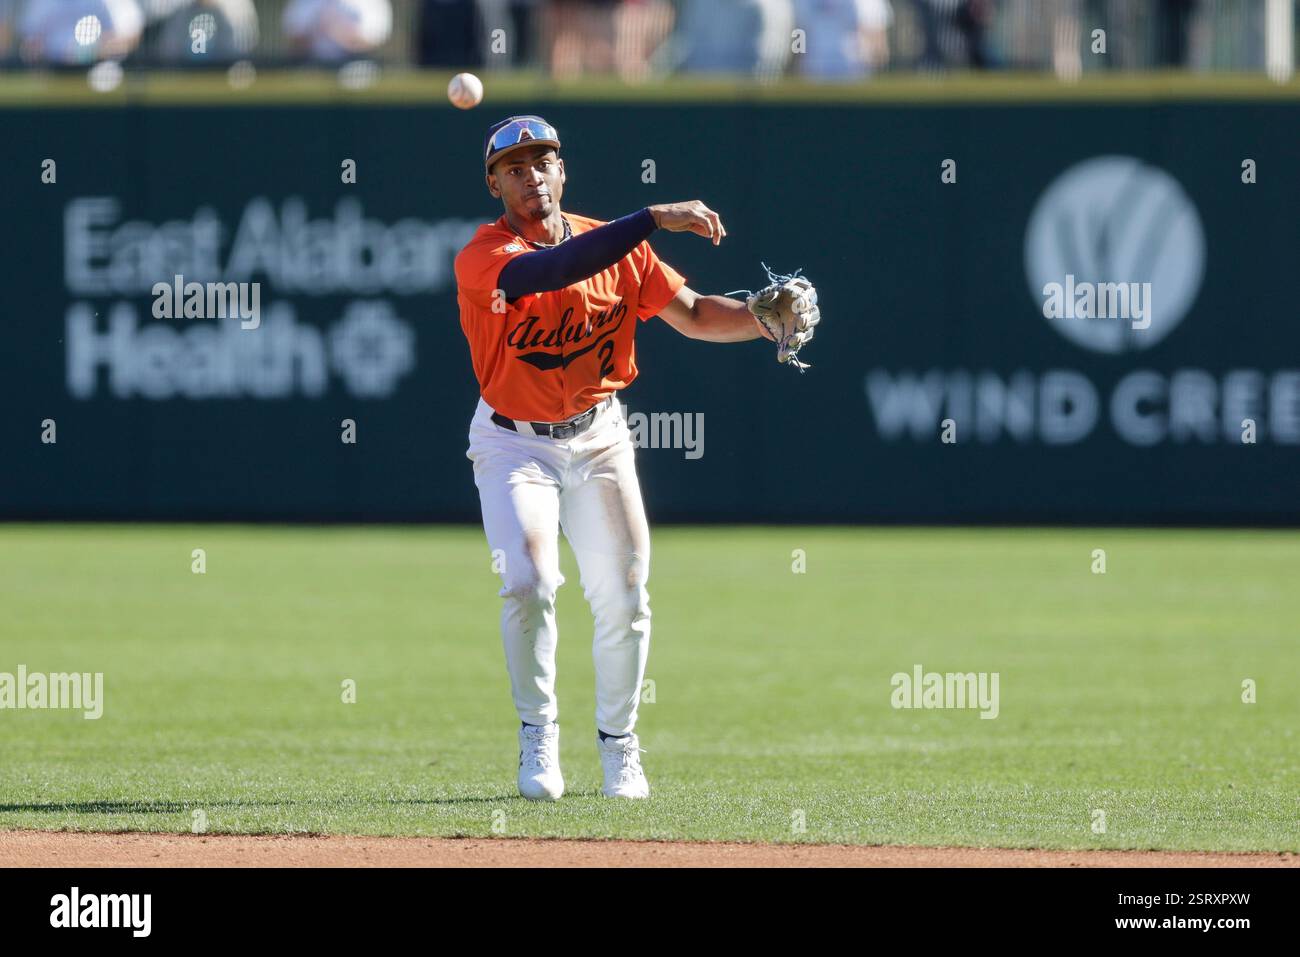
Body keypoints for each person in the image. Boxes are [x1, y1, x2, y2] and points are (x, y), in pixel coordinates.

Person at [454, 115, 773, 800]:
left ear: (563, 171)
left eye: (543, 162)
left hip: (598, 437)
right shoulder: (484, 256)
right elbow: (552, 269)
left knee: (626, 593)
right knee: (528, 581)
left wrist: (762, 319)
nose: (531, 176)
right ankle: (538, 731)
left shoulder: (617, 246)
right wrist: (654, 216)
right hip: (514, 442)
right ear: (494, 184)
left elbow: (692, 313)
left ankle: (619, 744)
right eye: (515, 168)